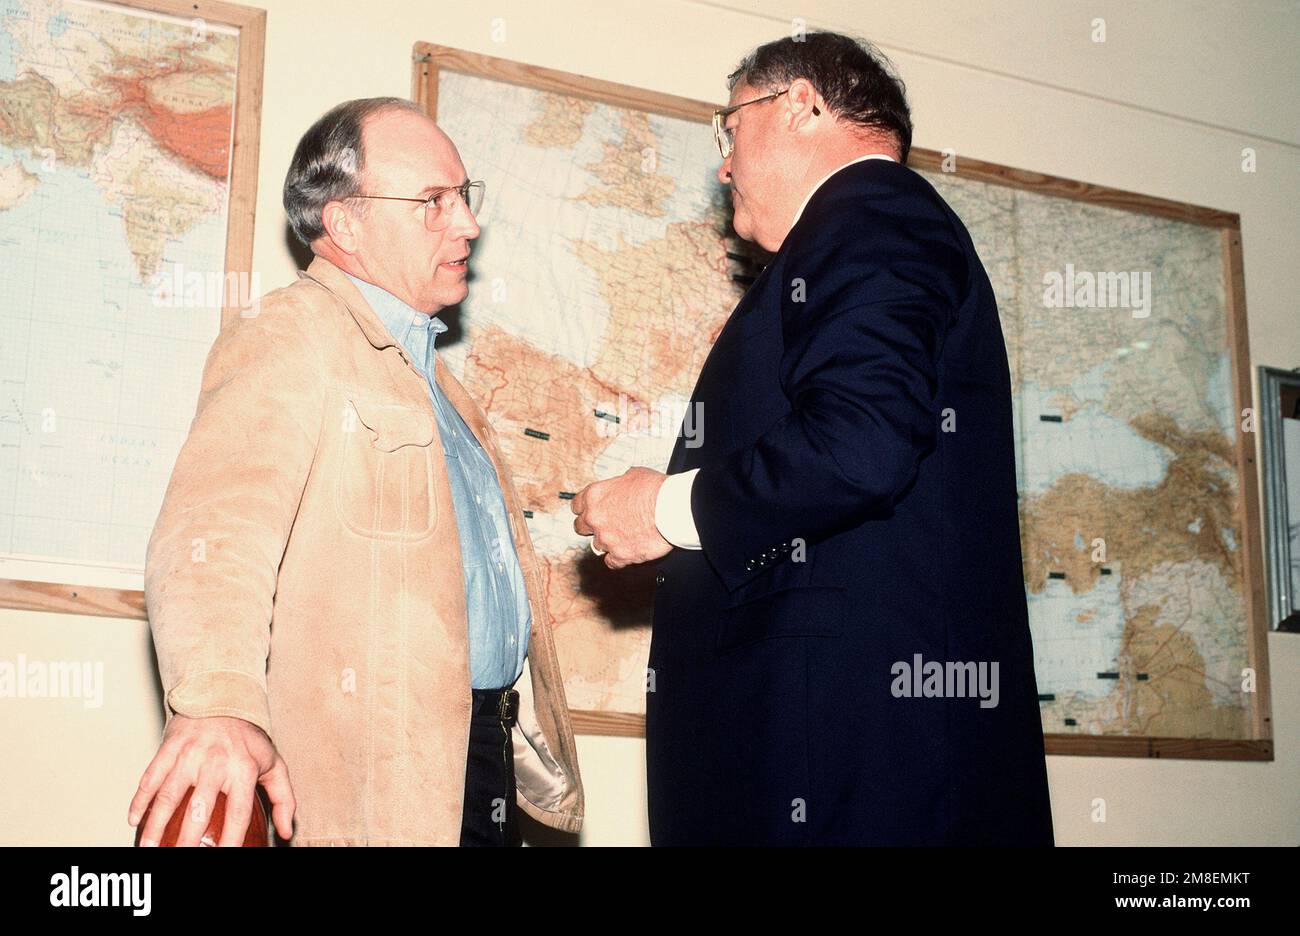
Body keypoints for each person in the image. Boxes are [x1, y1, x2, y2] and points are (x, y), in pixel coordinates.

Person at [572, 33, 1054, 845]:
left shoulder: (874, 213)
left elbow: (861, 442)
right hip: (842, 765)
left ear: (800, 105)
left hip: (847, 773)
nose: (722, 165)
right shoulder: (860, 233)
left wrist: (663, 508)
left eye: (729, 130)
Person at [131, 97, 583, 846]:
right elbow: (213, 534)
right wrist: (216, 705)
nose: (466, 224)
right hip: (376, 786)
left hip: (476, 761)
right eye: (432, 202)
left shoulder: (444, 388)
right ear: (345, 223)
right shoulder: (292, 334)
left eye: (463, 199)